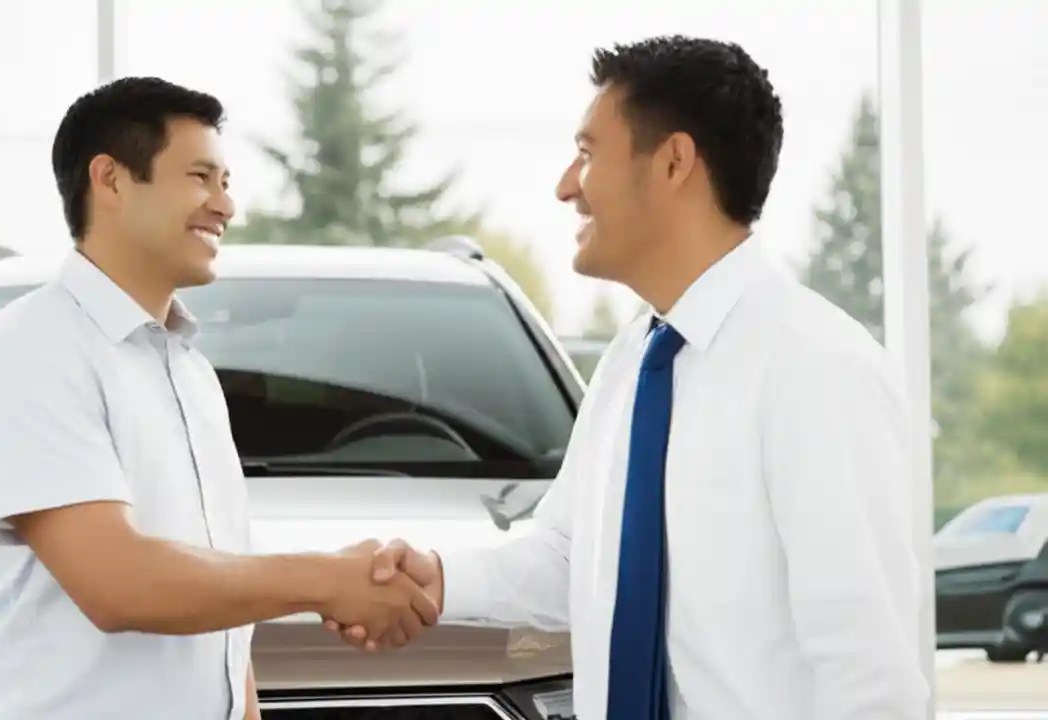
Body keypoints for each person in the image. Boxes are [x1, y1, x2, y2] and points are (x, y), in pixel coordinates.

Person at [327, 36, 929, 719]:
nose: (564, 186)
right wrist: (435, 578)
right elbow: (570, 560)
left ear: (674, 162)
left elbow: (872, 680)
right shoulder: (632, 363)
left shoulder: (818, 369)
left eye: (587, 154)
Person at [0, 77, 438, 720]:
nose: (225, 205)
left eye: (226, 181)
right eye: (201, 176)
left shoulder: (190, 372)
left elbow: (223, 627)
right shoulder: (29, 348)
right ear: (113, 180)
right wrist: (328, 580)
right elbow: (118, 583)